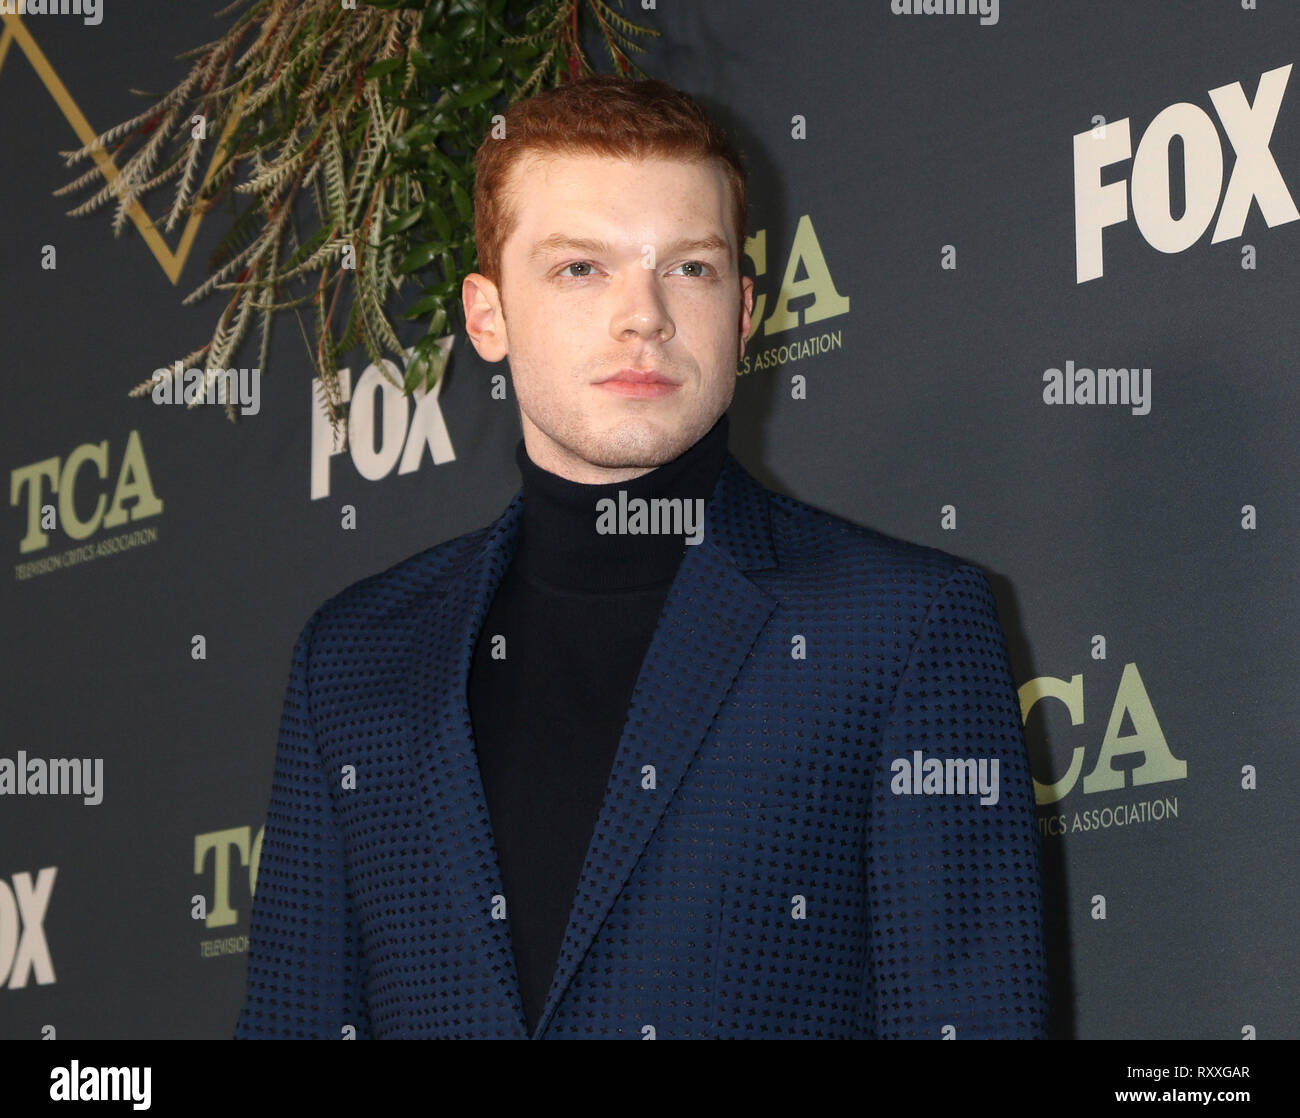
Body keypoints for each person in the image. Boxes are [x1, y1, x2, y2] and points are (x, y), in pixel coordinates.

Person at [235, 74, 1049, 1040]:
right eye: (582, 268)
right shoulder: (357, 657)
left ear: (745, 313)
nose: (645, 316)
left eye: (689, 269)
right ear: (487, 316)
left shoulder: (901, 629)